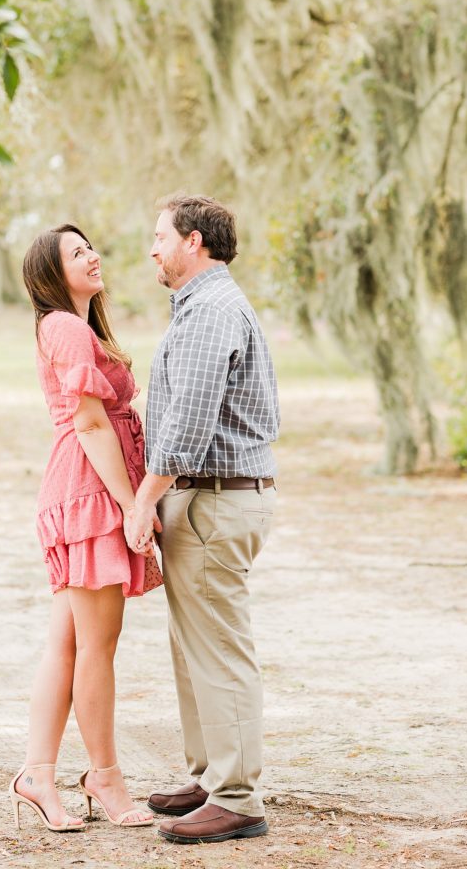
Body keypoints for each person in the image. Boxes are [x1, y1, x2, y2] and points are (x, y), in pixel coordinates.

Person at [124, 194, 280, 845]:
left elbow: (188, 420)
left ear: (194, 241)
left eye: (160, 236)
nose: (152, 248)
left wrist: (143, 499)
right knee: (194, 650)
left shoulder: (211, 311)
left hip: (214, 497)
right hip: (206, 496)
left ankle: (237, 797)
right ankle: (211, 775)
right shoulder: (202, 307)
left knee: (218, 651)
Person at [10, 223, 161, 834]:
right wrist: (132, 506)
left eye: (91, 246)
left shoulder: (69, 326)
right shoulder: (67, 327)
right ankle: (104, 774)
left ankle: (37, 775)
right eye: (77, 253)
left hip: (81, 488)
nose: (94, 256)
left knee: (69, 643)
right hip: (91, 493)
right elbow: (92, 424)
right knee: (97, 645)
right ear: (52, 271)